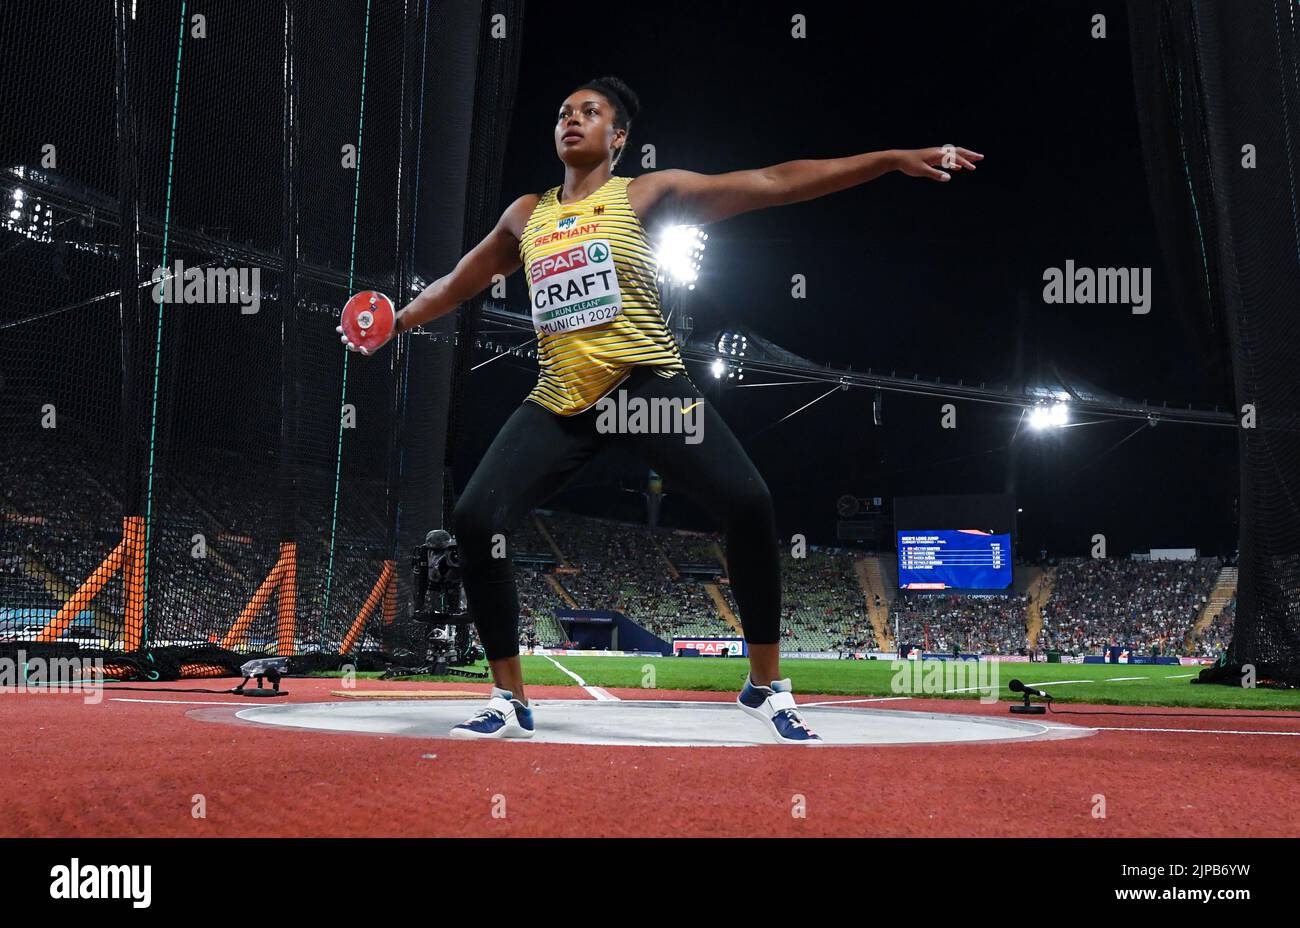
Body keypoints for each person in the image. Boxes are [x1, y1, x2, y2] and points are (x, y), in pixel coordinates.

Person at [339, 75, 981, 744]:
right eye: (564, 111)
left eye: (590, 112)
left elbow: (776, 181)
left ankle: (764, 686)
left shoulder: (646, 193)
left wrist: (888, 160)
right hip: (561, 399)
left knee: (749, 503)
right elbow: (461, 281)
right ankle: (509, 698)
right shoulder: (526, 214)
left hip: (646, 388)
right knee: (474, 518)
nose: (572, 119)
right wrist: (400, 317)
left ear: (619, 138)